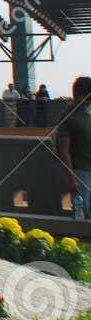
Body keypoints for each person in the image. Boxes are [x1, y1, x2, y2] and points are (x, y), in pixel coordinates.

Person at [54, 76, 91, 219]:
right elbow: (64, 152)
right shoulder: (68, 117)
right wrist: (72, 180)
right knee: (83, 215)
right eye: (87, 98)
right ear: (78, 96)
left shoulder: (87, 112)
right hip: (81, 172)